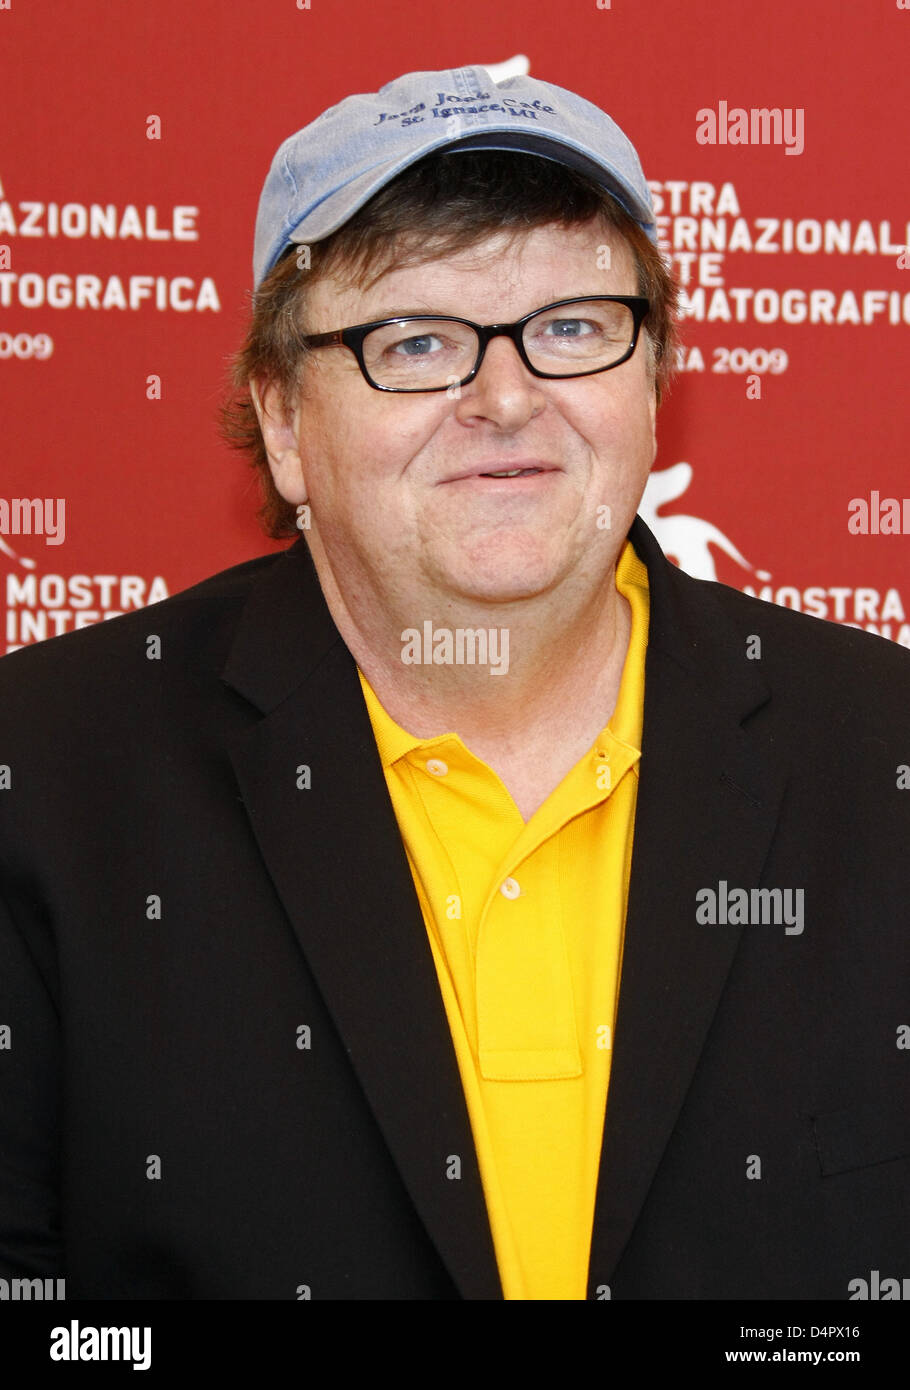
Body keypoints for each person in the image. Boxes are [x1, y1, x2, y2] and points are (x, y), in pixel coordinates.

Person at [0, 65, 908, 1303]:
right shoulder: (47, 775)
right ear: (280, 416)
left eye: (574, 327)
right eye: (414, 341)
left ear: (655, 384)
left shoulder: (882, 753)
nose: (506, 396)